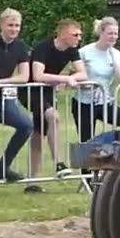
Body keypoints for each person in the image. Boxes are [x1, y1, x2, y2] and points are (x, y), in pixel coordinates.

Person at [23, 19, 87, 189]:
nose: (79, 38)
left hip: (47, 91)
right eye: (75, 34)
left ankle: (31, 181)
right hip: (31, 89)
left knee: (39, 133)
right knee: (54, 117)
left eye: (80, 34)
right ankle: (59, 163)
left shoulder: (73, 50)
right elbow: (38, 75)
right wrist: (66, 79)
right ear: (63, 34)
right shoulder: (43, 48)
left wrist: (69, 78)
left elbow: (83, 74)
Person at [74, 17, 120, 144]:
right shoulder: (84, 52)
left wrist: (113, 55)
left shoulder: (116, 54)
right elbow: (74, 76)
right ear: (101, 33)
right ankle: (88, 162)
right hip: (84, 103)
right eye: (110, 33)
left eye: (116, 34)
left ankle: (116, 153)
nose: (113, 37)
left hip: (105, 102)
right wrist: (85, 85)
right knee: (87, 141)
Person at [0, 8, 34, 183]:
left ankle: (3, 168)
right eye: (10, 25)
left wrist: (0, 83)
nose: (14, 29)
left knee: (26, 126)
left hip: (0, 97)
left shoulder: (21, 47)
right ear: (1, 25)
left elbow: (23, 76)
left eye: (17, 26)